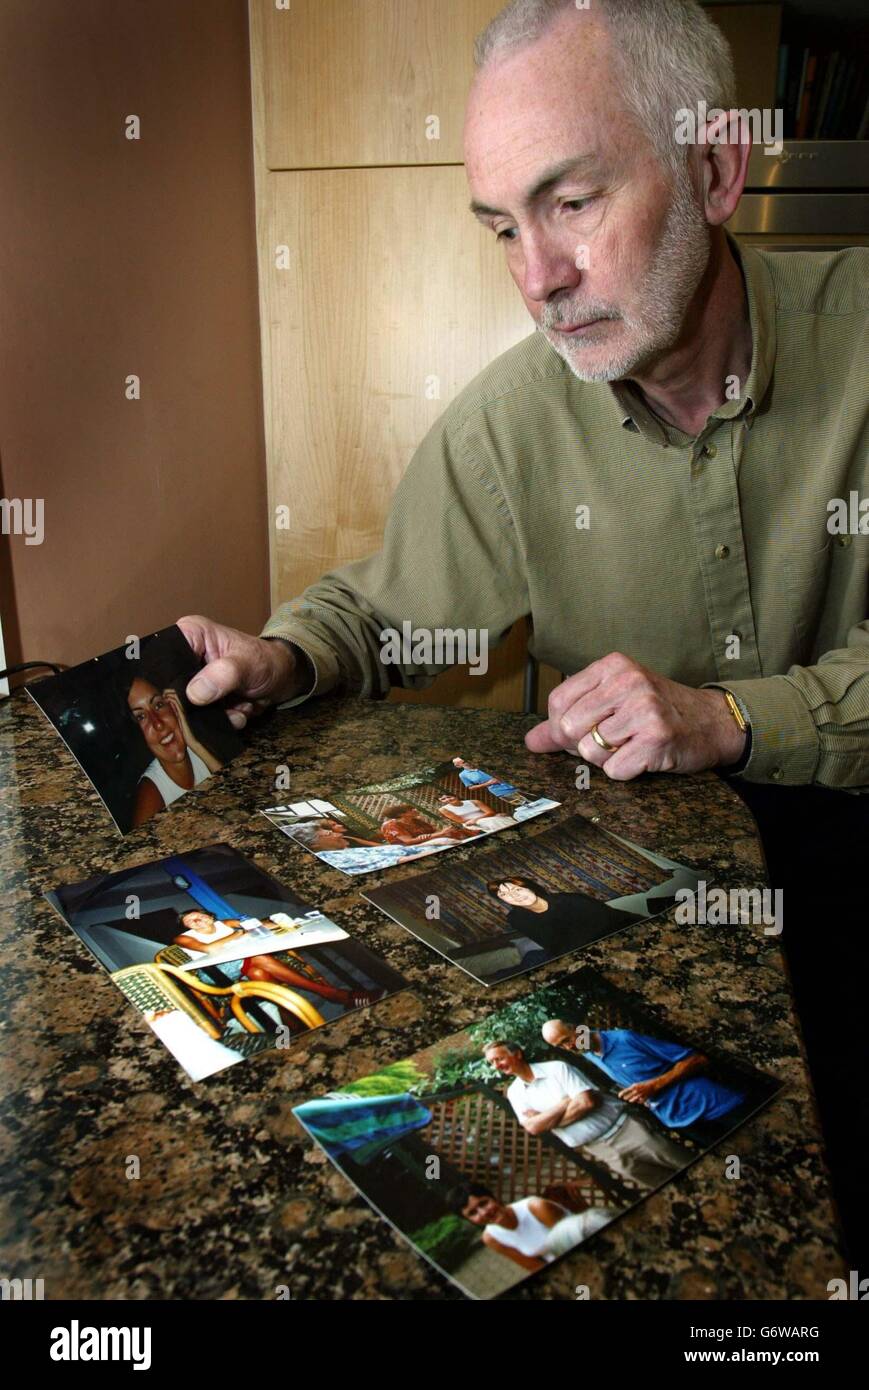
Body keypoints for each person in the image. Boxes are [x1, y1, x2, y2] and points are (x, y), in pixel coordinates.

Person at [172, 0, 868, 1260]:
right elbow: (385, 611)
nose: (534, 279)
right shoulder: (508, 420)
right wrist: (286, 656)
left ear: (714, 169)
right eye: (500, 224)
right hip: (641, 928)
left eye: (571, 202)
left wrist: (729, 716)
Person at [484, 1040, 687, 1192]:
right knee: (668, 1189)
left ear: (517, 1054)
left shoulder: (556, 1068)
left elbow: (587, 1102)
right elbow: (532, 1128)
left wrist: (550, 1120)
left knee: (686, 1165)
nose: (497, 1065)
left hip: (628, 1131)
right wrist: (564, 1103)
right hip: (602, 1151)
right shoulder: (515, 1093)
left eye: (499, 1058)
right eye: (492, 1063)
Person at [542, 1018, 745, 1132]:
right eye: (560, 1046)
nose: (568, 1046)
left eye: (566, 1039)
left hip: (714, 1107)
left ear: (579, 1028)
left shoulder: (625, 1039)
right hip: (678, 1121)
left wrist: (655, 1085)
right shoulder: (589, 1054)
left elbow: (697, 1059)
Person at [172, 908, 381, 1011]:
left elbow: (257, 925)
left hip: (247, 963)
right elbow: (209, 948)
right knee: (259, 957)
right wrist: (239, 934)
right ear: (188, 928)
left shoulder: (225, 923)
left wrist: (277, 921)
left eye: (197, 916)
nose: (196, 921)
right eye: (189, 922)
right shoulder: (183, 938)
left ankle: (291, 1019)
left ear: (209, 916)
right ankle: (332, 994)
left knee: (258, 972)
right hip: (216, 973)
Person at [125, 678, 222, 827]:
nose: (157, 723)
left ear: (174, 707)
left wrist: (195, 744)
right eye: (141, 717)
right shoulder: (150, 796)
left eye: (158, 705)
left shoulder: (201, 749)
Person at [487, 874, 645, 961]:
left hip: (624, 929)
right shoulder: (516, 918)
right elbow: (551, 944)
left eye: (517, 889)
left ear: (531, 888)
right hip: (581, 951)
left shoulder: (571, 900)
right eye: (504, 895)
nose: (514, 896)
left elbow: (610, 924)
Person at [451, 1183, 582, 1273]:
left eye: (484, 1203)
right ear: (469, 1220)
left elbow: (578, 1246)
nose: (483, 1213)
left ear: (493, 1197)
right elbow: (535, 1267)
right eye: (472, 1213)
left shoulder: (536, 1207)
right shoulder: (491, 1238)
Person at [378, 802, 477, 846]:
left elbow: (434, 831)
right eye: (411, 809)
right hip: (411, 847)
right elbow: (409, 841)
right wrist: (440, 834)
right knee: (446, 838)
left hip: (425, 841)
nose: (415, 810)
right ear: (401, 814)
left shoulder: (417, 820)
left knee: (458, 831)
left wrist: (444, 832)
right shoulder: (390, 825)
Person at [437, 792, 516, 832]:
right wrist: (475, 820)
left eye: (449, 797)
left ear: (455, 796)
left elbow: (490, 812)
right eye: (443, 799)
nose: (447, 799)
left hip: (487, 817)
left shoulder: (474, 801)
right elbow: (460, 820)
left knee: (501, 818)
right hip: (469, 823)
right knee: (493, 821)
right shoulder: (444, 809)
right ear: (441, 802)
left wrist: (476, 819)